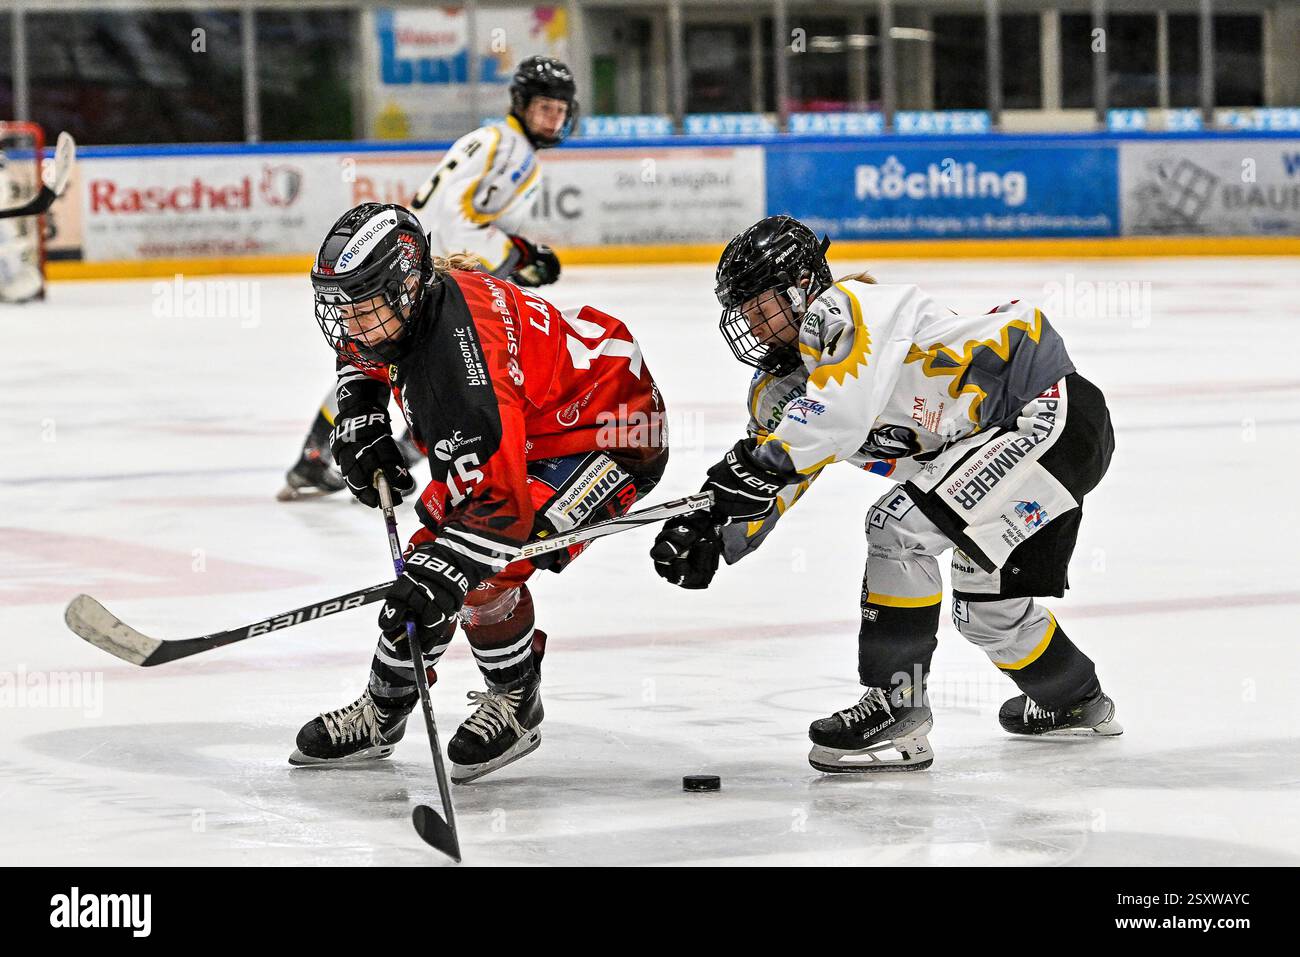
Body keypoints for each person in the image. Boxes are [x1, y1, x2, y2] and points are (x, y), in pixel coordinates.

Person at [650, 215, 1120, 773]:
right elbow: (781, 473)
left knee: (895, 528)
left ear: (801, 287)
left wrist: (750, 469)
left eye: (762, 304)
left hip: (1042, 416)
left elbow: (831, 420)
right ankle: (1078, 702)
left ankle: (897, 710)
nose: (751, 322)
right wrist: (713, 527)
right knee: (988, 612)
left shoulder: (844, 312)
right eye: (743, 311)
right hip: (1004, 448)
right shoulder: (784, 387)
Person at [290, 202, 666, 784]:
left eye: (364, 306)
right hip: (537, 420)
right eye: (343, 307)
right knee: (431, 562)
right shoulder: (408, 308)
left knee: (481, 570)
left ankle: (516, 702)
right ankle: (386, 711)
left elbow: (502, 515)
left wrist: (443, 574)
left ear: (405, 287)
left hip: (610, 435)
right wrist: (361, 416)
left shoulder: (464, 376)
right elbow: (362, 351)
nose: (351, 325)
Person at [278, 55, 578, 501]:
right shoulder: (512, 153)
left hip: (419, 264)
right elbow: (461, 226)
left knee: (376, 354)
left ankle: (319, 456)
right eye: (543, 108)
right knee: (452, 368)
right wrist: (519, 254)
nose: (552, 119)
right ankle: (412, 454)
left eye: (559, 110)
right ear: (520, 104)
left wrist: (509, 262)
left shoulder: (494, 141)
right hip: (435, 274)